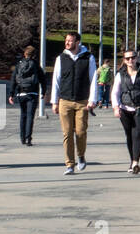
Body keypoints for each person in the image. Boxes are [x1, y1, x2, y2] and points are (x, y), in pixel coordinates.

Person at [51, 32, 98, 175]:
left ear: (78, 42)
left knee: (81, 132)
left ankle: (81, 156)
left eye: (70, 41)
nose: (67, 43)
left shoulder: (88, 58)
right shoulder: (61, 58)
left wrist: (92, 99)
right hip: (65, 101)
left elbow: (93, 79)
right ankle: (69, 164)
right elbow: (56, 80)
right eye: (66, 40)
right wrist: (54, 101)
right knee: (67, 133)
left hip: (82, 101)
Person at [10, 45, 47, 145]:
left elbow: (13, 79)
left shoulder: (19, 65)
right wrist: (43, 92)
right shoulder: (35, 65)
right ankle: (28, 138)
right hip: (32, 93)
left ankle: (22, 137)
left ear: (24, 54)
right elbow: (43, 79)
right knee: (30, 116)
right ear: (34, 55)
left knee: (23, 115)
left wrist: (11, 94)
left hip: (21, 93)